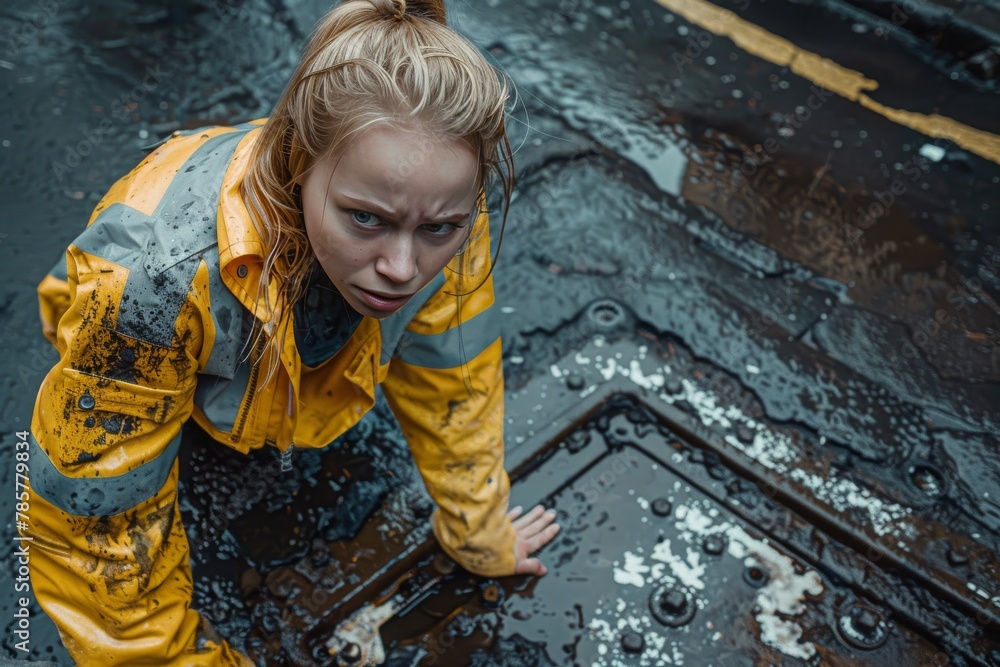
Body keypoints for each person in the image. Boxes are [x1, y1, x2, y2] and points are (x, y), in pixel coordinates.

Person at [24, 0, 560, 663]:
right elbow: (94, 526)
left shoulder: (442, 201)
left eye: (438, 230)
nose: (402, 268)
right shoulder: (151, 283)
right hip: (134, 358)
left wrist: (478, 530)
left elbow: (454, 371)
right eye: (365, 218)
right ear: (299, 161)